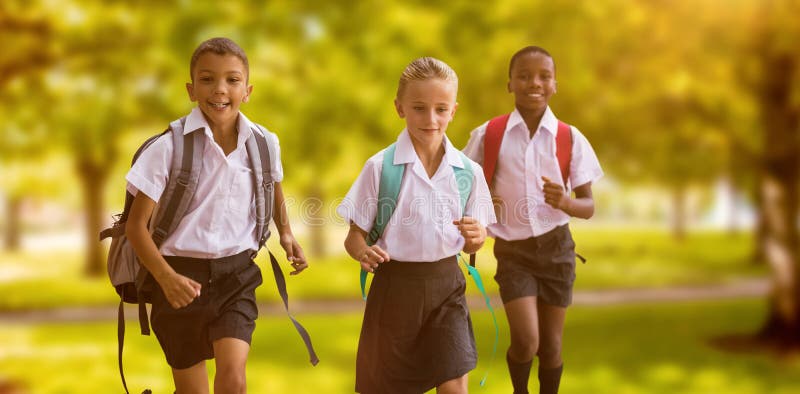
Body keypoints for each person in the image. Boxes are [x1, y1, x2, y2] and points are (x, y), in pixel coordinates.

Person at [125, 37, 308, 394]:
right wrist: (166, 279)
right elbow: (135, 227)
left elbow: (274, 190)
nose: (220, 89)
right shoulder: (168, 148)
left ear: (248, 89)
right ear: (191, 90)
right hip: (179, 277)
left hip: (237, 275)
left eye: (232, 80)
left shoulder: (264, 142)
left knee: (234, 379)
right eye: (207, 80)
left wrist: (286, 234)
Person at [337, 57, 496, 394]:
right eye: (419, 108)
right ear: (400, 108)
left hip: (447, 290)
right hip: (395, 291)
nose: (431, 119)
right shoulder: (381, 168)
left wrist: (477, 237)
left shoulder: (468, 172)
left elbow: (475, 241)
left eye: (441, 109)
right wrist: (363, 252)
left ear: (453, 110)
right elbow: (354, 237)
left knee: (454, 386)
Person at [462, 46, 603, 394]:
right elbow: (458, 185)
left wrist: (566, 201)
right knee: (527, 341)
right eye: (523, 76)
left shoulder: (570, 138)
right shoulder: (488, 135)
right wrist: (480, 198)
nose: (533, 83)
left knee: (552, 348)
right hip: (514, 252)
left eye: (543, 76)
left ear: (555, 84)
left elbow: (588, 205)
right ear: (510, 83)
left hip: (557, 250)